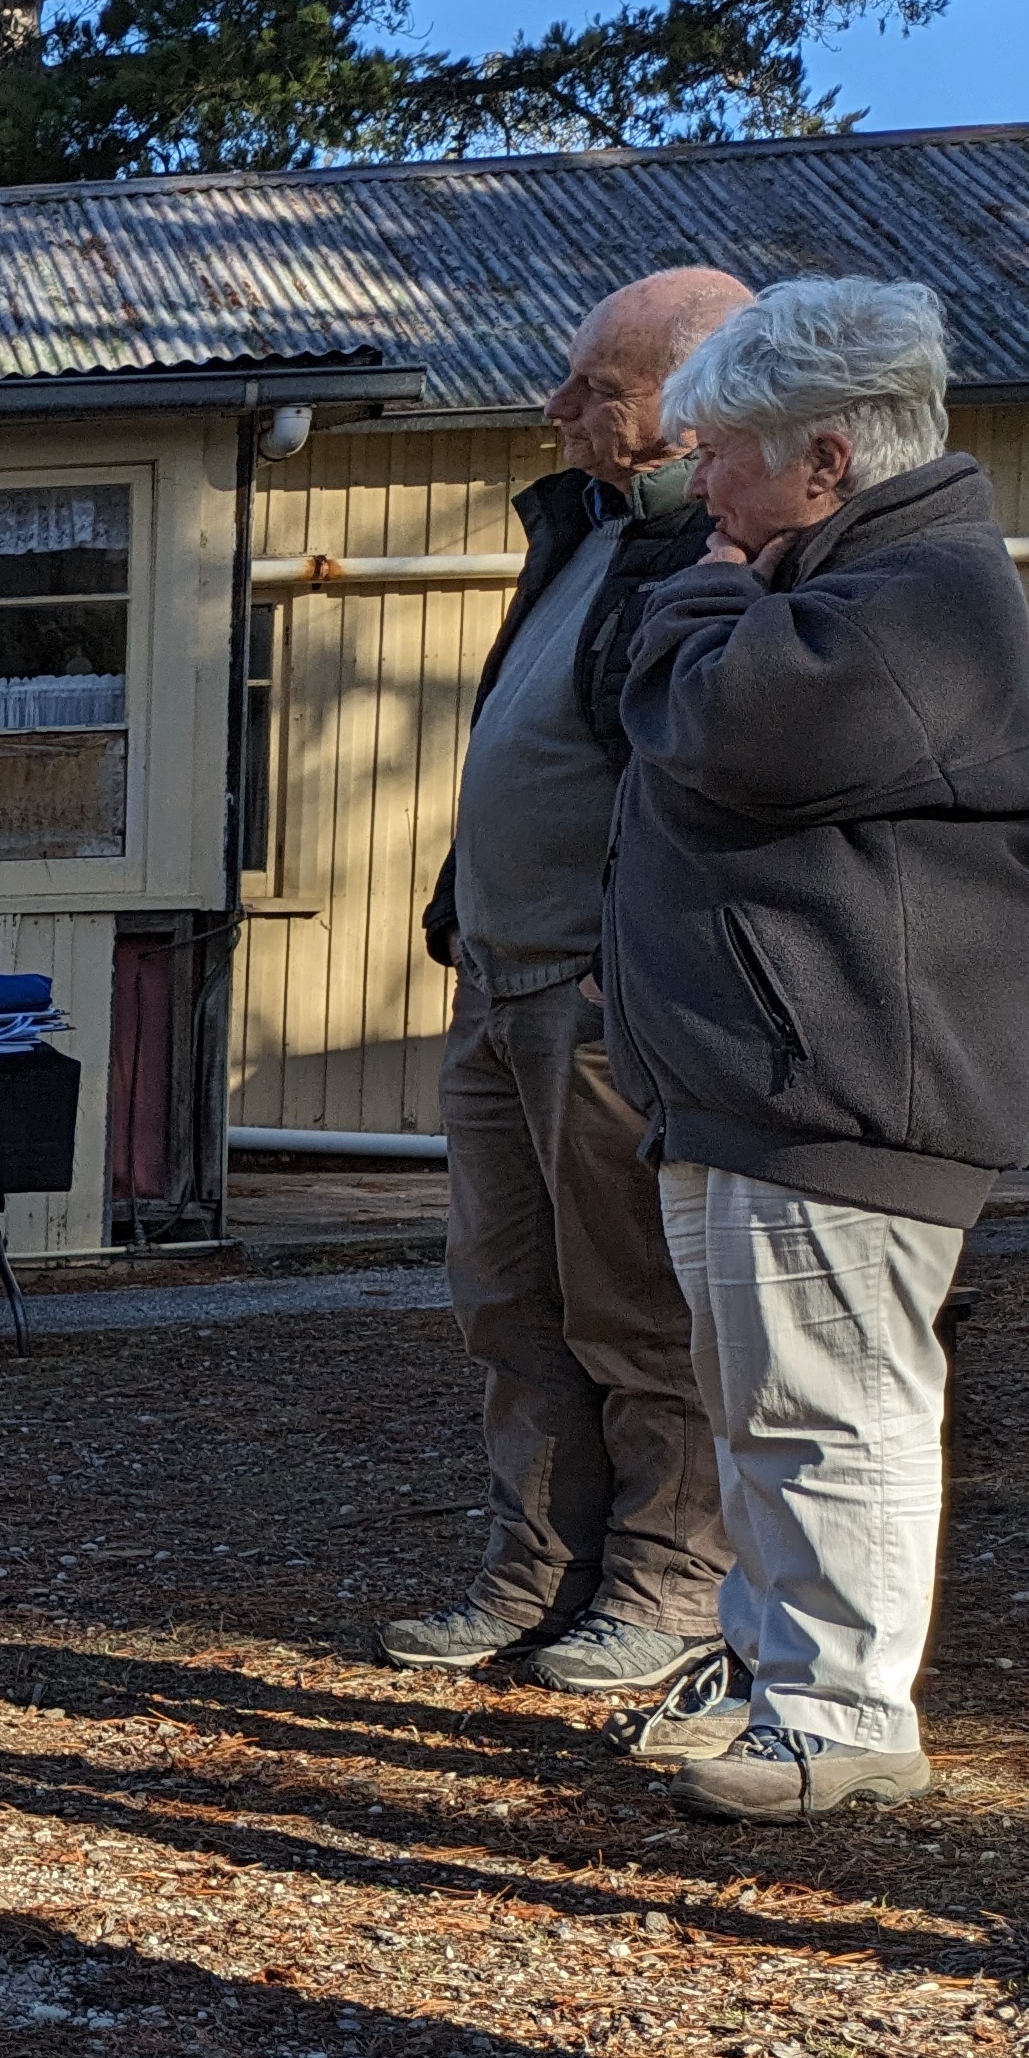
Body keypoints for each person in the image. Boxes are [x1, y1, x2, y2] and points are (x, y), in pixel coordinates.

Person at [608, 275, 1029, 1818]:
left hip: (843, 1086)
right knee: (762, 1405)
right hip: (762, 1084)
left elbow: (723, 728)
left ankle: (843, 1711)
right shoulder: (844, 586)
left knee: (832, 1408)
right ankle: (772, 1675)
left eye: (726, 452)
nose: (702, 487)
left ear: (829, 460)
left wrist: (694, 585)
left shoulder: (919, 597)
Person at [385, 265, 752, 1691]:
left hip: (603, 1000)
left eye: (599, 388)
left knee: (634, 1301)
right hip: (498, 980)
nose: (560, 411)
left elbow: (704, 784)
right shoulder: (586, 535)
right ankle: (534, 1569)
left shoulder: (720, 557)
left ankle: (667, 1587)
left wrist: (629, 967)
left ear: (701, 401)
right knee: (506, 1298)